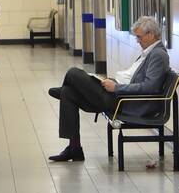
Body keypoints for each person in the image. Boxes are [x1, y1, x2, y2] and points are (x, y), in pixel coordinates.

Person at [48, 15, 170, 162]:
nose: (138, 41)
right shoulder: (149, 52)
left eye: (139, 37)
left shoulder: (158, 55)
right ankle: (75, 149)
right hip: (116, 94)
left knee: (73, 73)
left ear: (151, 34)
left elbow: (150, 87)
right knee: (68, 94)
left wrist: (117, 87)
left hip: (120, 101)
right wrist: (112, 82)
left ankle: (61, 90)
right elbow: (134, 79)